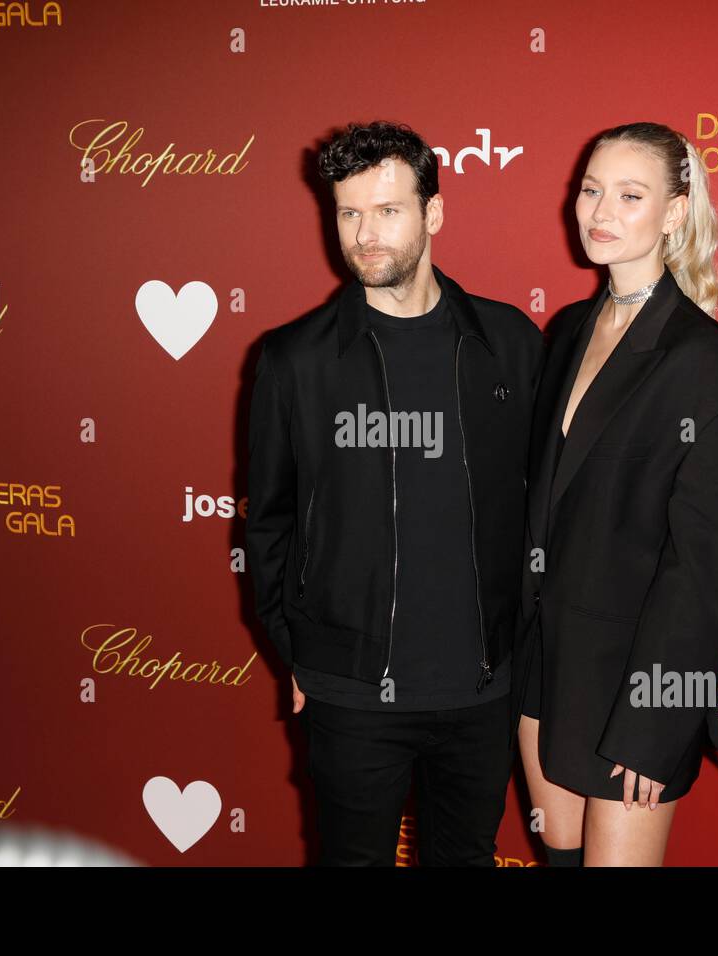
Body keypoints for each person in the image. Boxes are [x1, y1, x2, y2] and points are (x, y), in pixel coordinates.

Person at [245, 120, 544, 866]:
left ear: (433, 214)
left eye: (387, 211)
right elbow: (267, 525)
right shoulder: (294, 362)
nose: (364, 234)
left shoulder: (508, 343)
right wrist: (302, 654)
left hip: (481, 690)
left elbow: (543, 508)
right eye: (348, 213)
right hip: (350, 693)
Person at [512, 122, 718, 867]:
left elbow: (705, 576)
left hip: (637, 682)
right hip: (543, 666)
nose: (600, 211)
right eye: (591, 190)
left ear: (676, 213)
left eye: (630, 195)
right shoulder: (565, 332)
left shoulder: (706, 368)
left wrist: (658, 724)